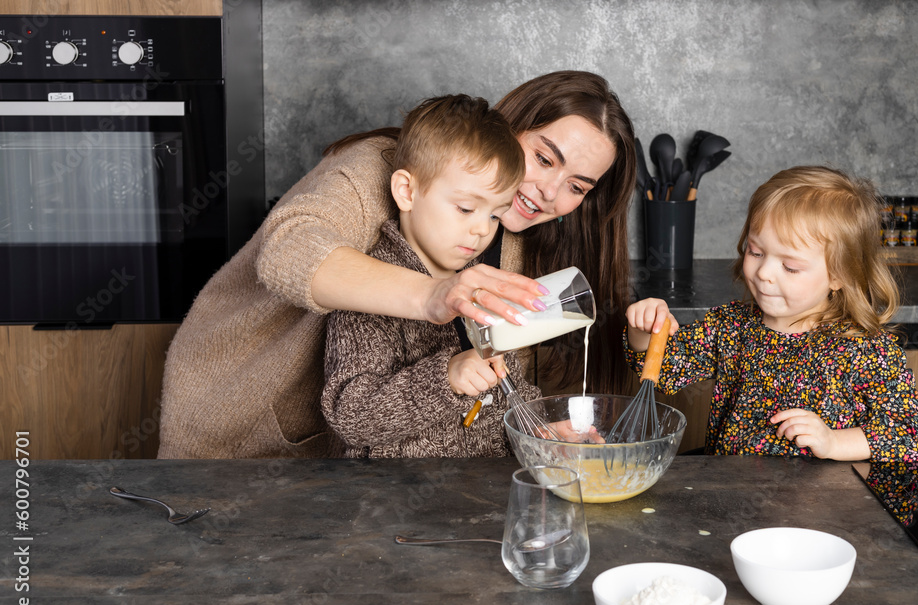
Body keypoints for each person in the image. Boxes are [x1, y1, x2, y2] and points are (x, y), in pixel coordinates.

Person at [157, 71, 635, 458]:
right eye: (544, 158)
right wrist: (431, 296)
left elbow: (495, 380)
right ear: (506, 128)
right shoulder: (376, 170)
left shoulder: (507, 235)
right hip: (243, 422)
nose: (550, 193)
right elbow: (288, 253)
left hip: (362, 475)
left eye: (577, 186)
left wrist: (538, 431)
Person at [624, 166, 918, 462]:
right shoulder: (730, 326)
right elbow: (665, 371)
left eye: (790, 266)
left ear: (840, 276)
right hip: (735, 498)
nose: (764, 273)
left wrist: (833, 441)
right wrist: (644, 329)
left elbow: (911, 433)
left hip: (821, 509)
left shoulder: (866, 349)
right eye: (756, 252)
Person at [321, 94, 539, 457]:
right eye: (466, 208)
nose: (481, 230)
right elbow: (351, 416)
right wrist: (447, 378)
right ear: (407, 191)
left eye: (495, 215)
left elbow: (509, 386)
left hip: (475, 496)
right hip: (394, 503)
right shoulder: (369, 292)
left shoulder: (481, 281)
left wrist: (540, 427)